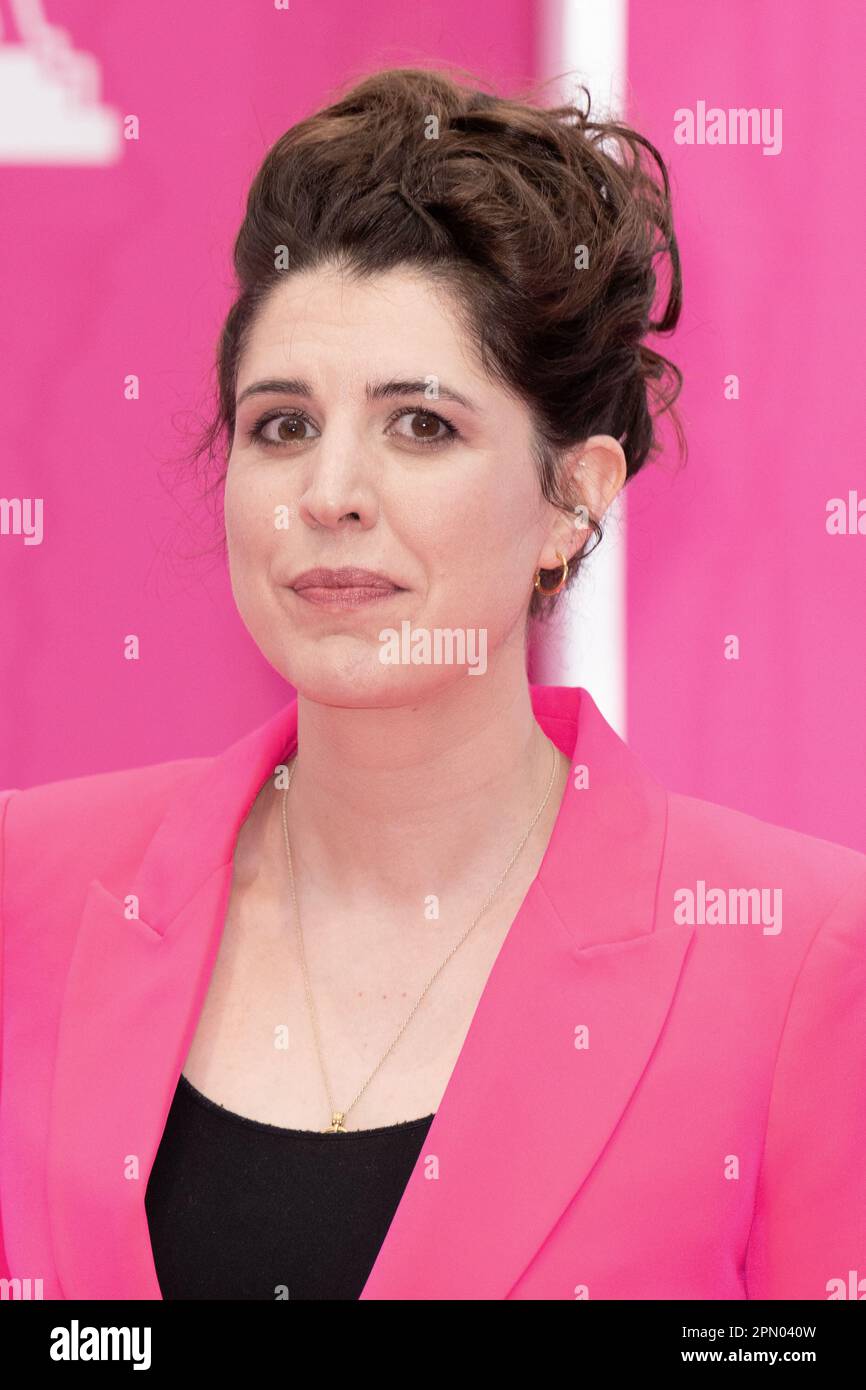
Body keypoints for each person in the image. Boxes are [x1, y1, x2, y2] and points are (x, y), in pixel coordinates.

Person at [1, 66, 864, 1302]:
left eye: (421, 425)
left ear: (573, 499)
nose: (329, 490)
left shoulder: (795, 961)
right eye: (282, 424)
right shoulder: (27, 887)